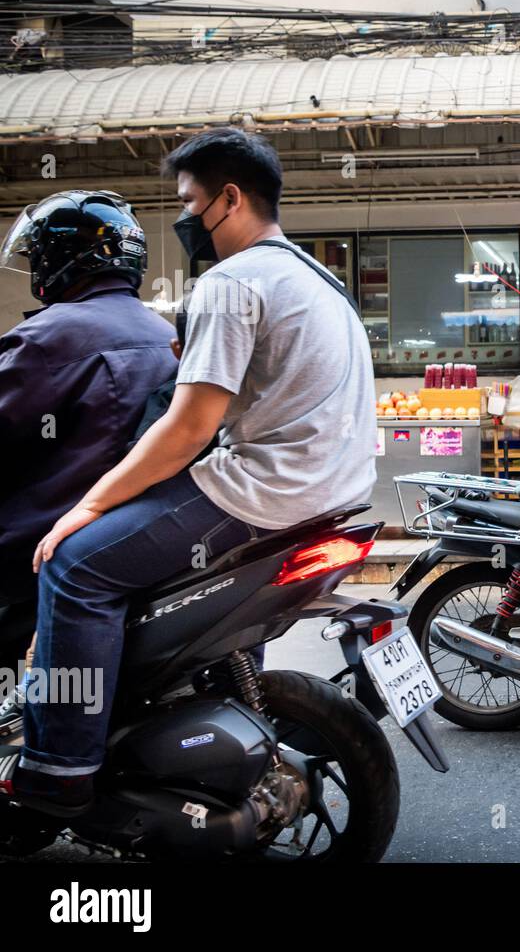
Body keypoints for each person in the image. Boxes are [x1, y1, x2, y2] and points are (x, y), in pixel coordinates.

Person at [8, 127, 377, 817]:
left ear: (228, 198)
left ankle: (57, 773)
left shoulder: (231, 282)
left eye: (188, 201)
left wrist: (86, 508)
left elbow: (186, 430)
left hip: (264, 489)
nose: (182, 218)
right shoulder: (314, 277)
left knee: (74, 567)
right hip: (331, 491)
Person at [0, 191, 176, 733]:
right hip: (144, 535)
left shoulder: (43, 339)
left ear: (62, 261)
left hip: (38, 543)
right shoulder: (165, 333)